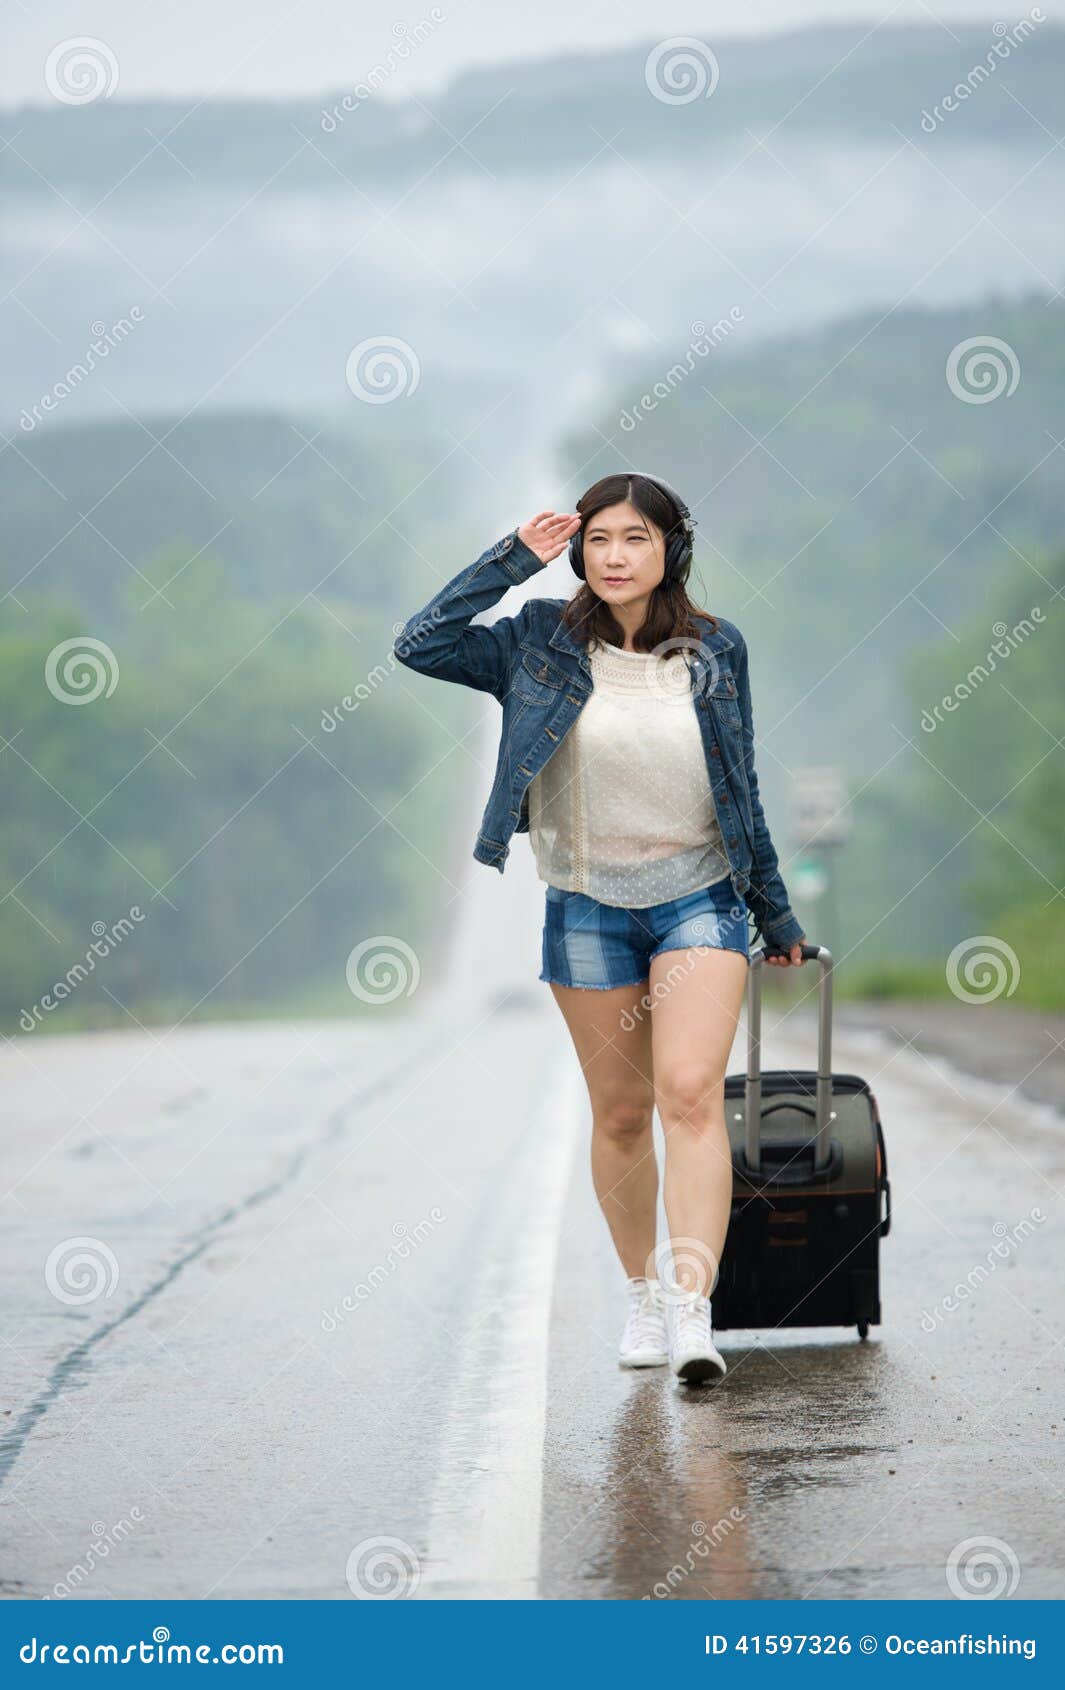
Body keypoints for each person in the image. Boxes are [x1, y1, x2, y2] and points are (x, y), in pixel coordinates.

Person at [393, 473, 806, 1385]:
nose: (614, 557)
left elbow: (739, 786)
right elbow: (420, 643)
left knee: (690, 1094)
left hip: (699, 896)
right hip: (585, 901)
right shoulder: (537, 639)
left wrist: (773, 913)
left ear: (671, 550)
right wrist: (511, 560)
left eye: (635, 538)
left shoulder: (715, 649)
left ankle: (693, 1308)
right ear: (577, 551)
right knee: (621, 1114)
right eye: (598, 540)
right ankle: (643, 1297)